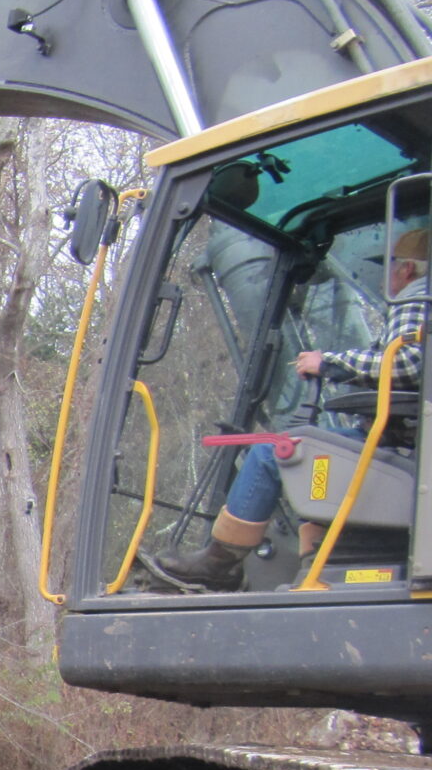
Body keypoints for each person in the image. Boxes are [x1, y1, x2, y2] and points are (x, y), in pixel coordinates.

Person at [143, 226, 429, 592]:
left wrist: (329, 362)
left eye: (389, 266)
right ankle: (316, 564)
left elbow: (408, 363)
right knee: (316, 466)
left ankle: (220, 563)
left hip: (401, 443)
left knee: (276, 452)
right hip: (409, 443)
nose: (386, 276)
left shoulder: (416, 300)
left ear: (407, 269)